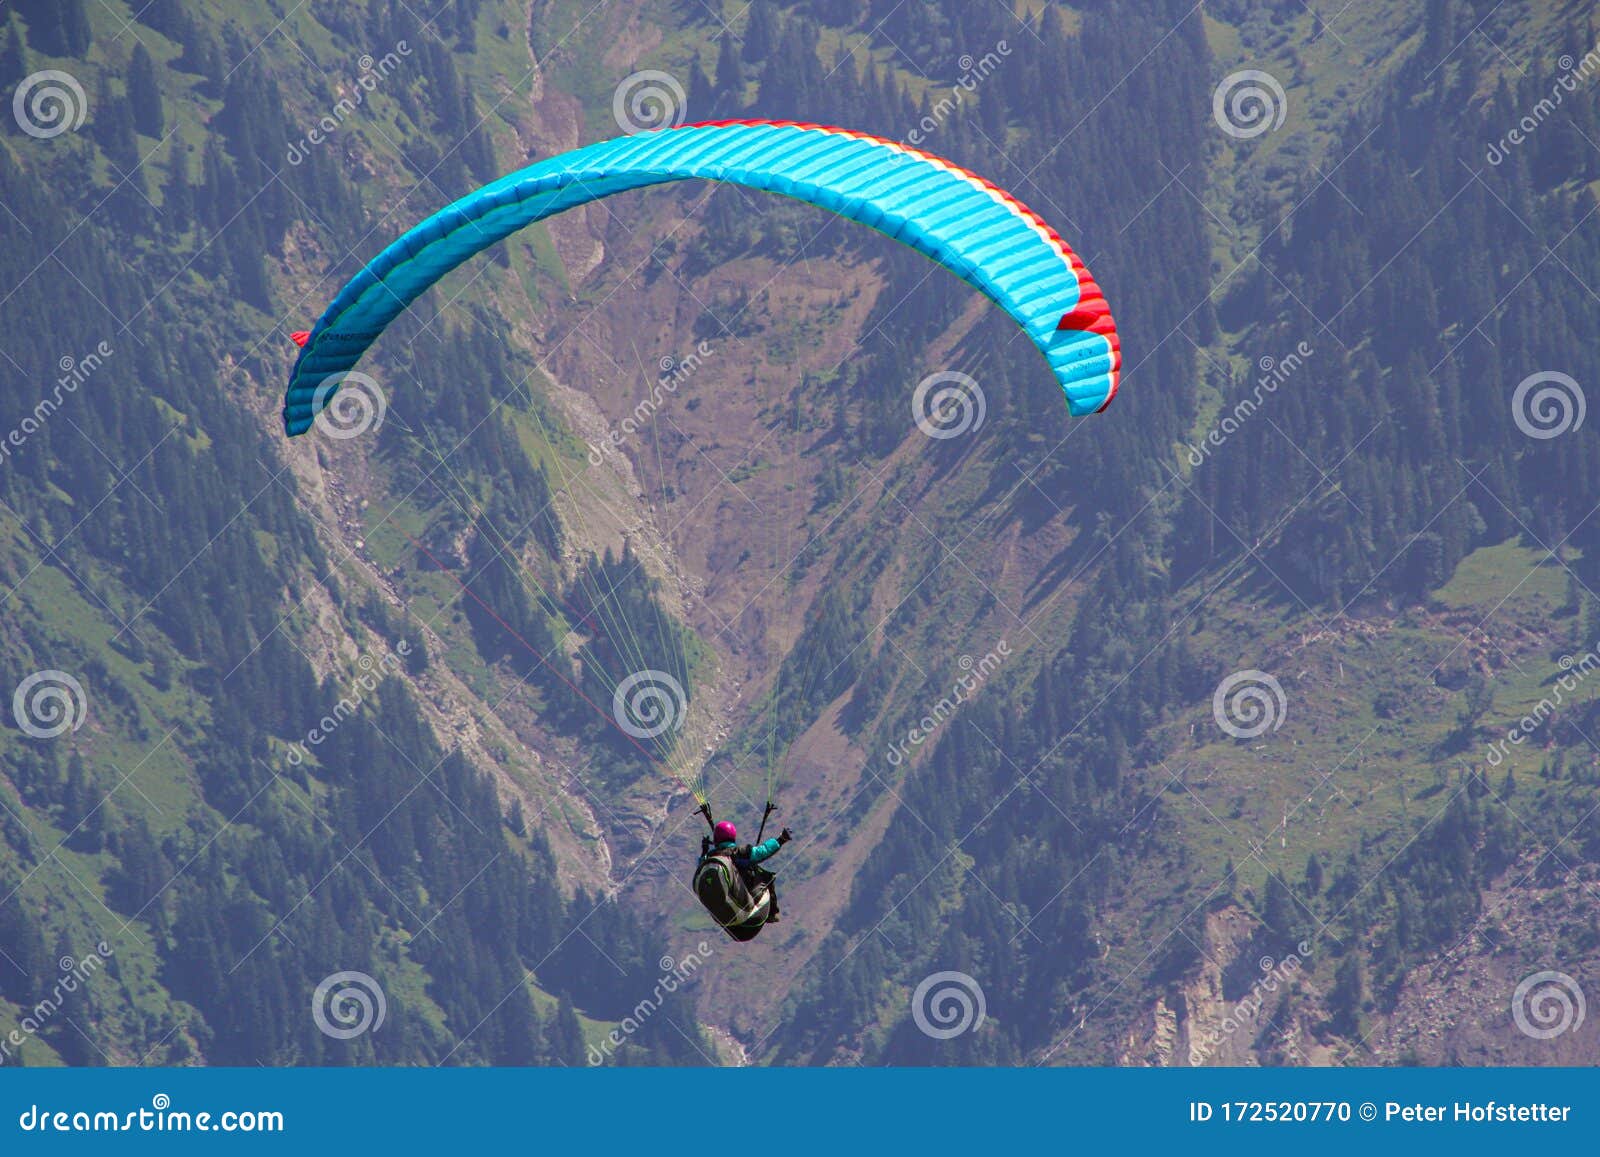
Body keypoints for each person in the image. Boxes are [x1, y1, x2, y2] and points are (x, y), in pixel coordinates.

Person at [693, 819, 792, 939]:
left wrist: (704, 849)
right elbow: (763, 852)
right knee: (766, 877)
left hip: (730, 927)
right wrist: (781, 839)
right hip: (751, 923)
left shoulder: (709, 860)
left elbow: (700, 864)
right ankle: (772, 914)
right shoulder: (740, 852)